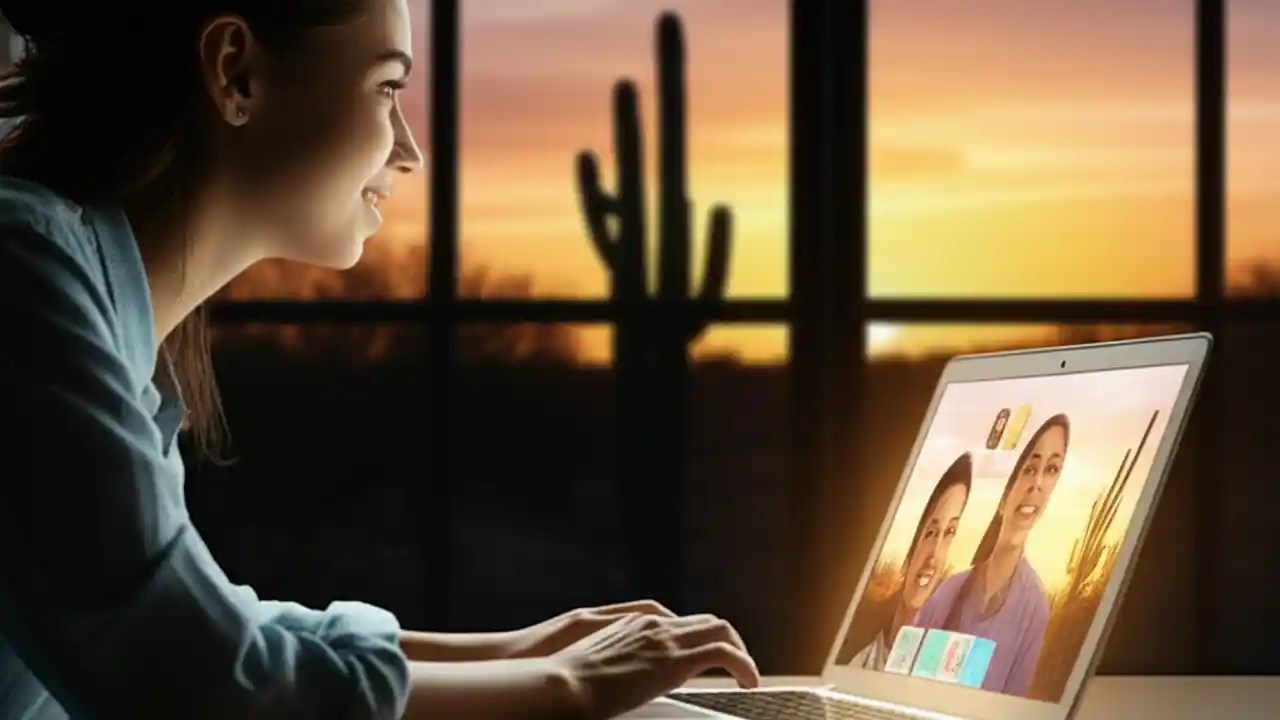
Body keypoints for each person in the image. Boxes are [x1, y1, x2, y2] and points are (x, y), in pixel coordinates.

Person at [0, 2, 758, 718]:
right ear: (236, 74)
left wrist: (515, 653)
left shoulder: (94, 315)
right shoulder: (23, 267)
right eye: (386, 87)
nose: (410, 150)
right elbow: (196, 674)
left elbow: (201, 623)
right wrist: (565, 687)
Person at [913, 414, 1071, 697]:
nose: (1037, 483)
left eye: (1051, 469)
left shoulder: (1034, 608)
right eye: (1029, 468)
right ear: (1004, 496)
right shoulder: (948, 592)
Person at [836, 453, 973, 669]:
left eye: (949, 532)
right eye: (930, 532)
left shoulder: (947, 656)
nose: (934, 556)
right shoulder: (855, 643)